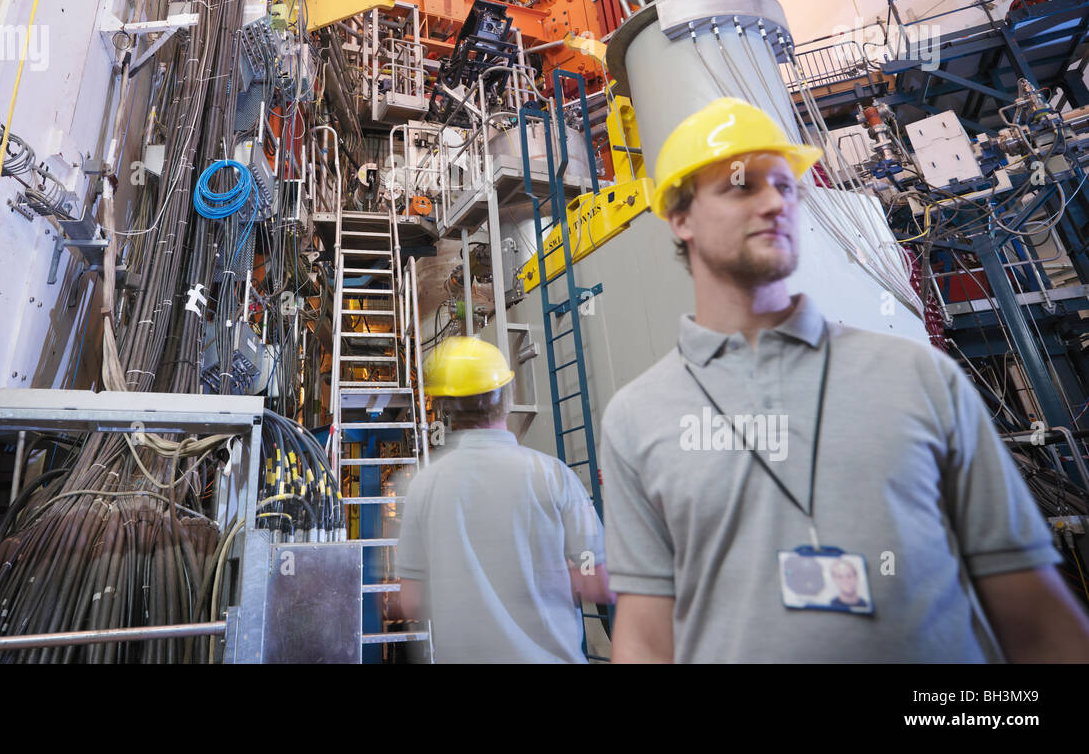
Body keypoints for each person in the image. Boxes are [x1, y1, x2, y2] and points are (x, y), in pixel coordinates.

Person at [601, 96, 1089, 664]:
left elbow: (1031, 606)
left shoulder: (918, 376)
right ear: (680, 218)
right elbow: (645, 633)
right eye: (741, 186)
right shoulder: (637, 417)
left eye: (785, 186)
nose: (774, 204)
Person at [395, 337, 612, 663]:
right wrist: (553, 572)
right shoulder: (554, 476)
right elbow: (598, 585)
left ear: (446, 407)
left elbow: (411, 601)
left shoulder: (422, 486)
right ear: (508, 398)